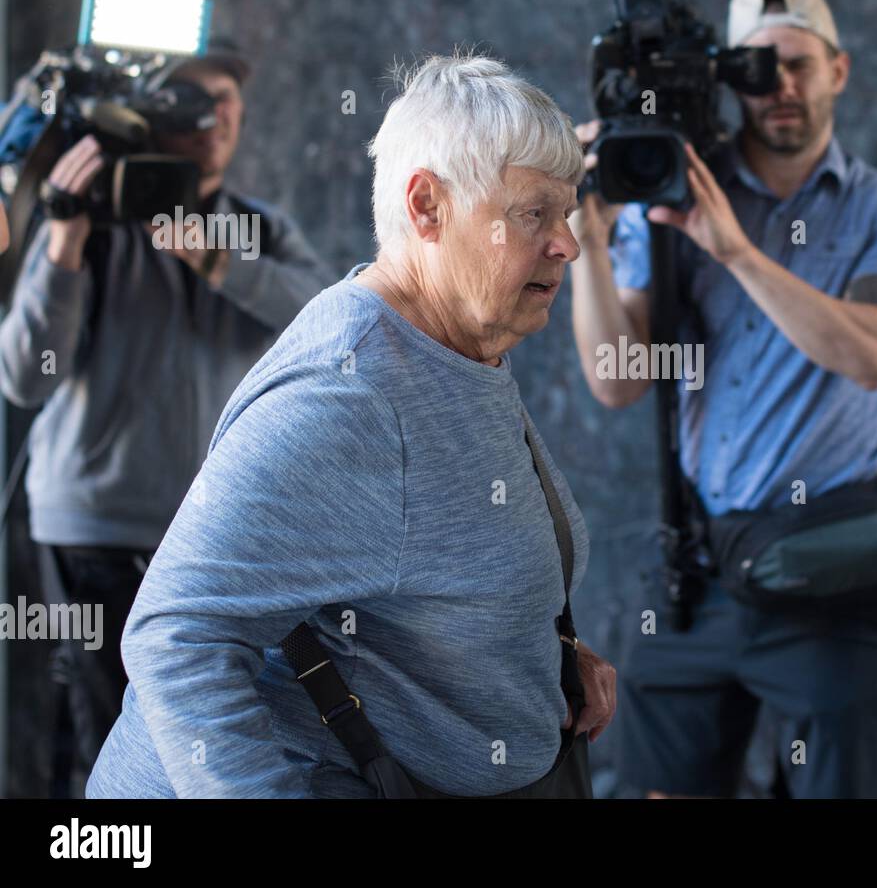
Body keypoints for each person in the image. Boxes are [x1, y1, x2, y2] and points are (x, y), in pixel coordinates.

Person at [86, 53, 616, 798]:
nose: (567, 241)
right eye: (534, 213)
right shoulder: (349, 393)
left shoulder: (453, 338)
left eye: (566, 212)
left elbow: (423, 573)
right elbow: (176, 637)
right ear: (427, 206)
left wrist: (537, 652)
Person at [569, 0, 877, 797]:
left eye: (801, 64)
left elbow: (876, 352)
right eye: (760, 67)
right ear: (731, 77)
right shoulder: (666, 192)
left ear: (838, 70)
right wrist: (591, 245)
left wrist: (735, 252)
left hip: (824, 573)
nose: (783, 87)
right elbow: (616, 381)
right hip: (697, 570)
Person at [0, 40, 336, 797]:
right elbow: (24, 375)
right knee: (100, 737)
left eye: (230, 103)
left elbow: (327, 328)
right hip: (93, 531)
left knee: (208, 739)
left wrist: (210, 252)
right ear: (150, 113)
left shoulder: (256, 227)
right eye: (195, 99)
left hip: (218, 535)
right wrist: (64, 237)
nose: (215, 117)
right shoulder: (91, 229)